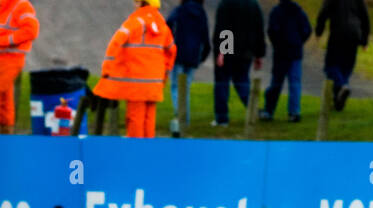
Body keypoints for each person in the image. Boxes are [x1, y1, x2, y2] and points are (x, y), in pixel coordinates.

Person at [94, 0, 175, 139]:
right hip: (154, 84)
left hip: (135, 85)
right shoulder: (163, 27)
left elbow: (115, 43)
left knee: (135, 119)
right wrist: (164, 75)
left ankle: (135, 152)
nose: (134, 4)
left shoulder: (134, 23)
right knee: (149, 119)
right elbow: (171, 51)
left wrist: (107, 69)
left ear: (141, 3)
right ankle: (148, 151)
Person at [0, 0, 40, 135]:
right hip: (0, 61)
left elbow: (31, 30)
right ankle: (5, 135)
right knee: (5, 102)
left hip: (11, 60)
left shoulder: (21, 5)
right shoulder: (5, 6)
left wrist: (6, 40)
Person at [211, 0, 265, 126]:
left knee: (222, 83)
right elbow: (259, 29)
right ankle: (253, 110)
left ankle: (222, 118)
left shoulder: (227, 3)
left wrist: (222, 52)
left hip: (229, 49)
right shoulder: (253, 4)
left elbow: (224, 27)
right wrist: (258, 54)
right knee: (242, 82)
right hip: (246, 51)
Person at [259, 0, 311, 121]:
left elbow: (272, 31)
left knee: (276, 83)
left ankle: (269, 110)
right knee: (295, 83)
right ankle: (294, 112)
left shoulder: (277, 12)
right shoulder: (299, 12)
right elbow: (306, 30)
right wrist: (299, 42)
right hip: (295, 52)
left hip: (281, 53)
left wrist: (277, 44)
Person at [316, 0, 369, 112]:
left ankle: (342, 85)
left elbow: (323, 13)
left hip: (337, 35)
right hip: (354, 35)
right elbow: (365, 18)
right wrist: (364, 40)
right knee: (346, 67)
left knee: (331, 66)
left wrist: (319, 31)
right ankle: (338, 100)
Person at [166, 0, 210, 131]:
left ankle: (180, 116)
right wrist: (203, 55)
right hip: (193, 56)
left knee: (176, 86)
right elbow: (205, 36)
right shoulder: (201, 13)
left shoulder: (180, 10)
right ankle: (186, 118)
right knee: (186, 88)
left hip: (178, 53)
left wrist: (169, 46)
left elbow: (167, 25)